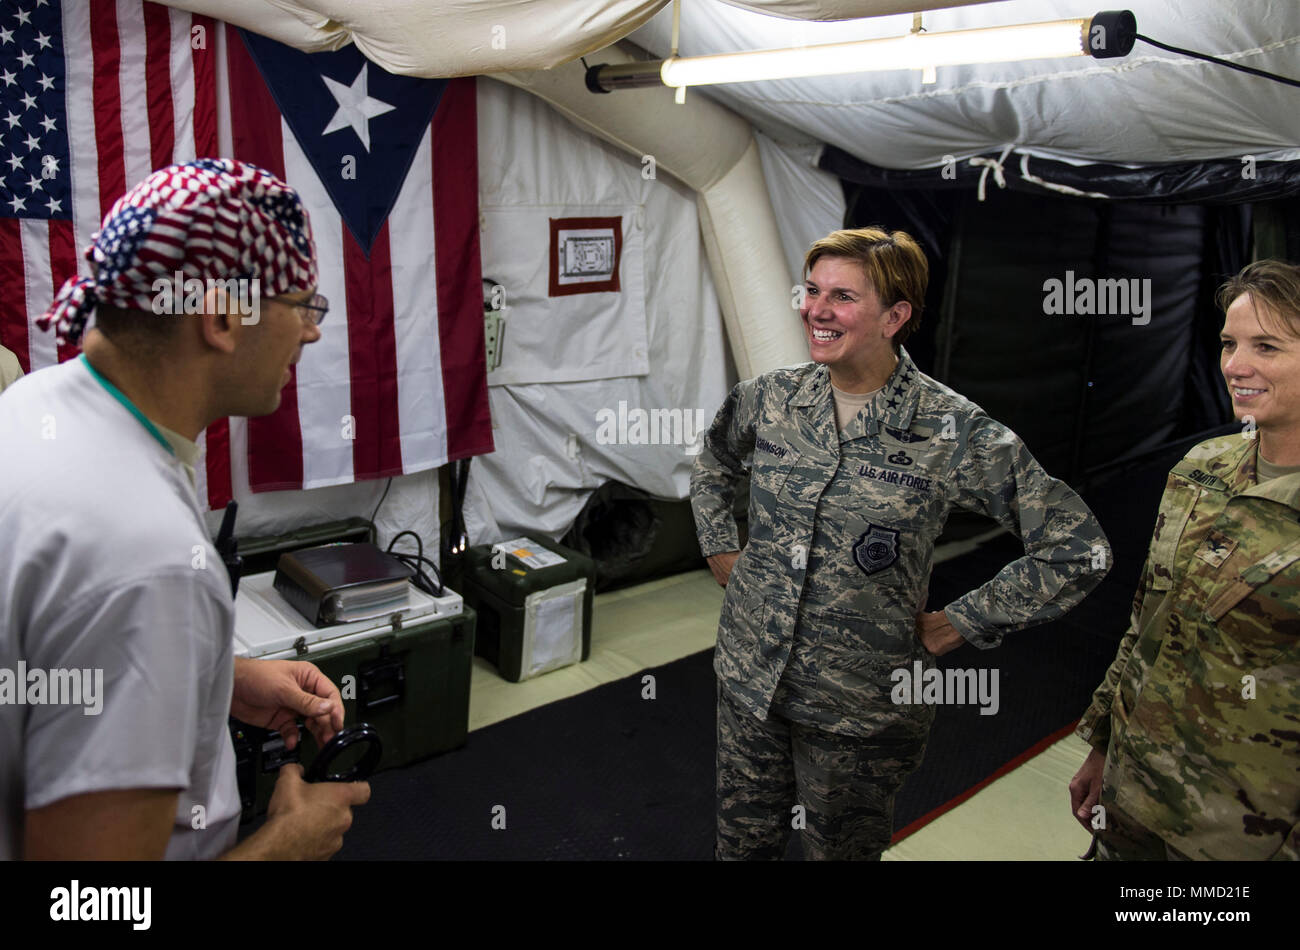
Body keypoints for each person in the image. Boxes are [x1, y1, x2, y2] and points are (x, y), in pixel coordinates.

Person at [691, 226, 1111, 860]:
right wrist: (721, 544)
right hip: (750, 684)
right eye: (811, 291)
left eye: (842, 296)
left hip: (855, 712)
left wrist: (961, 622)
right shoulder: (771, 398)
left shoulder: (952, 430)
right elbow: (715, 461)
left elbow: (1079, 547)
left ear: (895, 316)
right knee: (740, 851)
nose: (816, 309)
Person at [0, 159, 369, 860]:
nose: (311, 333)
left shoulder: (36, 404)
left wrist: (206, 676)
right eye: (301, 304)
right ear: (223, 316)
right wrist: (282, 846)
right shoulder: (149, 560)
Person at [1070, 259, 1300, 861]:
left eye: (1267, 346)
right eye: (1229, 344)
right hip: (1131, 801)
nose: (1235, 366)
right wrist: (1102, 743)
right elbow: (1147, 619)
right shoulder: (1202, 468)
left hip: (1240, 836)